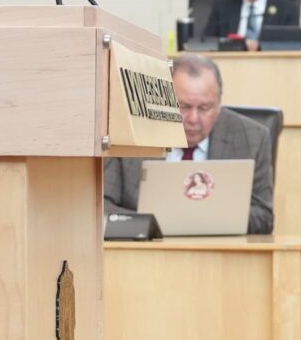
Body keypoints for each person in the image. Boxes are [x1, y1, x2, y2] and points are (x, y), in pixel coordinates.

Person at [102, 53, 276, 234]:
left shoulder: (253, 138)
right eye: (183, 106)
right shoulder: (129, 133)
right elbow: (100, 207)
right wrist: (151, 226)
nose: (193, 119)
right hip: (146, 253)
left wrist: (203, 218)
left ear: (219, 104)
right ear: (164, 100)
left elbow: (264, 217)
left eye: (204, 108)